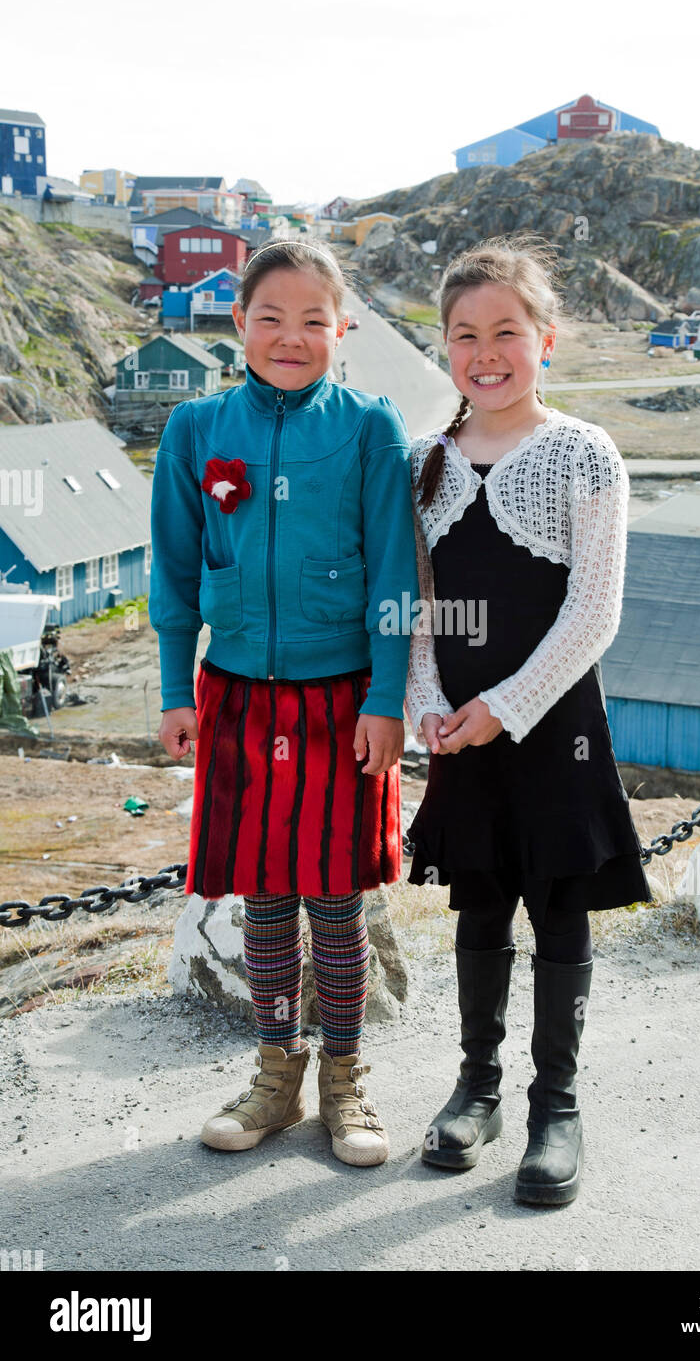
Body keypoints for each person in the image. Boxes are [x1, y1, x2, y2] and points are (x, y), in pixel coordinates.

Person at [149, 239, 418, 1167]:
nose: (292, 335)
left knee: (336, 902)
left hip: (342, 703)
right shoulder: (194, 431)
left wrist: (387, 700)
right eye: (271, 316)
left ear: (342, 330)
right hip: (235, 701)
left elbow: (396, 574)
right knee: (265, 901)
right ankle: (275, 1075)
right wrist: (172, 688)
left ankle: (345, 1081)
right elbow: (177, 570)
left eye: (314, 319)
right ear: (239, 324)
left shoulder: (371, 428)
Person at [404, 236, 653, 1206]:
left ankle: (557, 1104)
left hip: (552, 729)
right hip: (457, 731)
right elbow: (420, 604)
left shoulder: (582, 453)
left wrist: (502, 709)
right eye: (464, 334)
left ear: (543, 340)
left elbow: (594, 611)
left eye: (506, 330)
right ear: (445, 347)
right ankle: (477, 1088)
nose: (485, 352)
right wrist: (428, 704)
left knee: (555, 910)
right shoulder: (424, 463)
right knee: (478, 907)